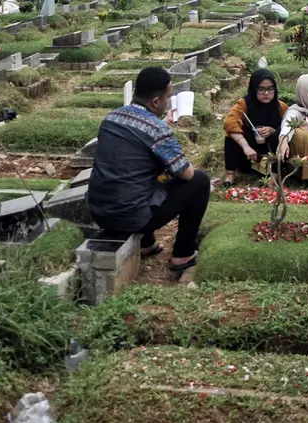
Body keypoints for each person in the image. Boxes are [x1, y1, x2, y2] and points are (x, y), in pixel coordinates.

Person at [87, 67, 209, 281]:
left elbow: (137, 145)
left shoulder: (111, 118)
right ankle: (183, 254)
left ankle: (147, 244)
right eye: (169, 96)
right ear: (155, 101)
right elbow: (186, 174)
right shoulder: (157, 130)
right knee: (199, 181)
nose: (169, 101)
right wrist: (166, 136)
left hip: (100, 211)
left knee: (140, 177)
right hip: (132, 216)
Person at [222, 68, 289, 185]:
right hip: (250, 154)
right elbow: (230, 123)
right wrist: (245, 146)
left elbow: (290, 125)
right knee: (230, 136)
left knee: (283, 135)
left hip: (271, 153)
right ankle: (229, 176)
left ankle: (274, 178)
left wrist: (273, 131)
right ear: (254, 89)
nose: (266, 93)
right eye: (261, 89)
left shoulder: (280, 107)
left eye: (270, 89)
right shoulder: (244, 103)